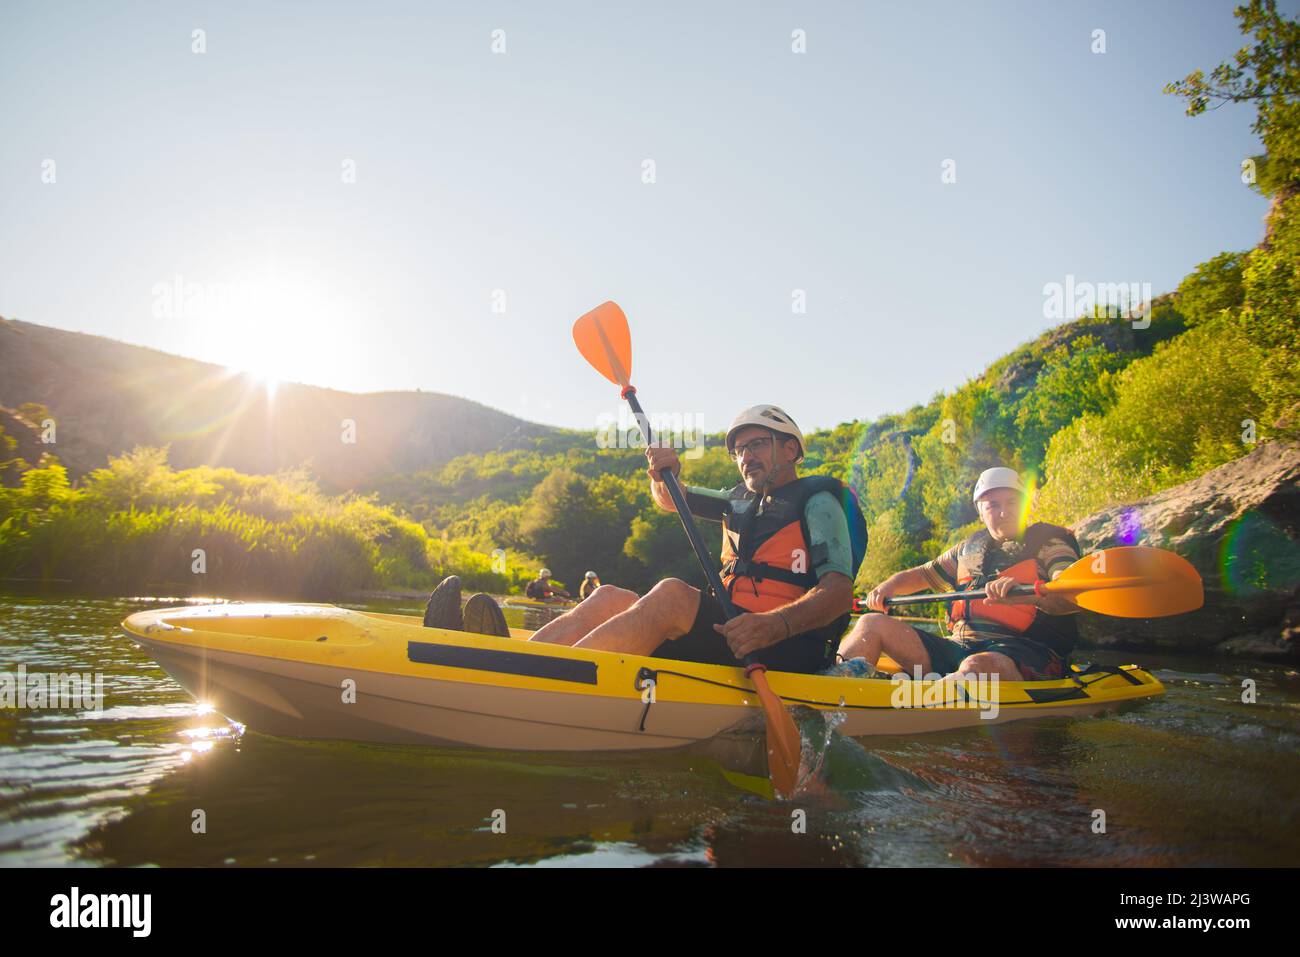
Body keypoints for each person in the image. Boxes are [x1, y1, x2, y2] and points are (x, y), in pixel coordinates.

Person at [524, 404, 863, 674]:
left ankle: (560, 680)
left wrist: (774, 625)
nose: (745, 457)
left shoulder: (819, 502)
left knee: (672, 594)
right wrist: (663, 475)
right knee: (609, 596)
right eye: (739, 451)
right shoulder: (736, 500)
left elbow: (838, 592)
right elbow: (673, 498)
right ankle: (515, 663)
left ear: (790, 449)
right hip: (729, 633)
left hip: (786, 645)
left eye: (757, 444)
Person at [838, 467, 1081, 681]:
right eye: (993, 505)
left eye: (1012, 503)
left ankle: (930, 704)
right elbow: (923, 574)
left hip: (1024, 653)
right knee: (871, 623)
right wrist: (887, 588)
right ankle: (833, 689)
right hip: (959, 648)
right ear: (980, 511)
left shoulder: (1051, 545)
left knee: (975, 666)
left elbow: (1072, 592)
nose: (1004, 512)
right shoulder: (967, 550)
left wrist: (1031, 596)